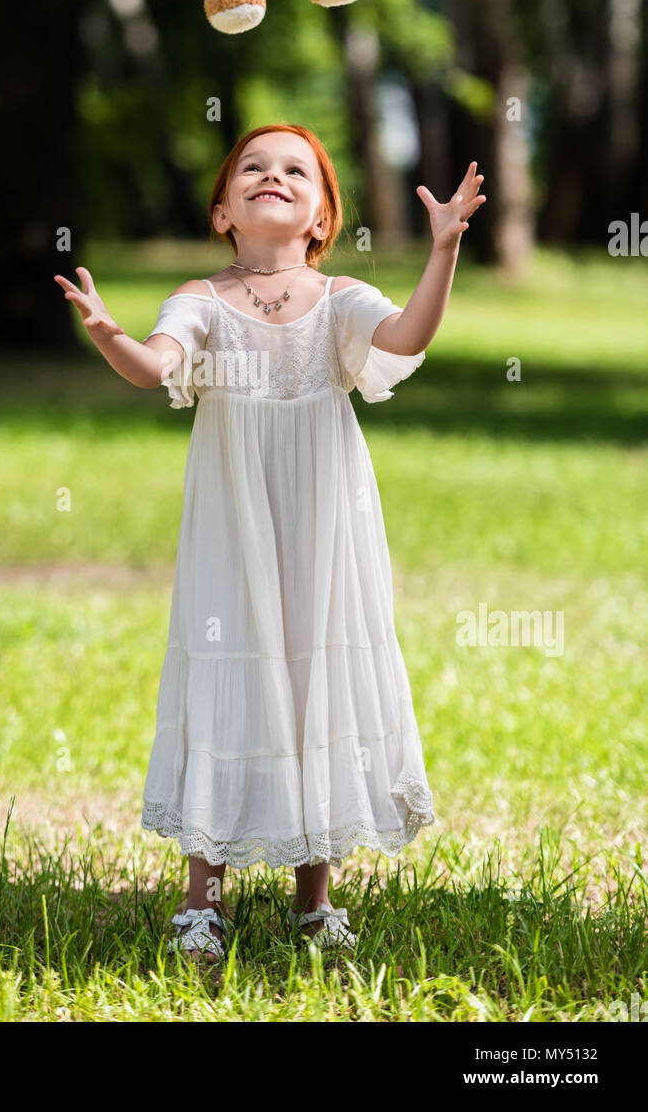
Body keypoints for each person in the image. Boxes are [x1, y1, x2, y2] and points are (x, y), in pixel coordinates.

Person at [55, 123, 486, 963]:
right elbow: (156, 365)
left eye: (296, 170)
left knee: (310, 670)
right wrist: (109, 331)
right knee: (229, 669)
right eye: (252, 167)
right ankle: (200, 900)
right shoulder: (201, 299)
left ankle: (313, 898)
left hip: (324, 522)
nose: (273, 176)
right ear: (223, 209)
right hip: (234, 523)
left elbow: (407, 340)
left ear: (321, 218)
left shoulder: (342, 299)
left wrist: (442, 253)